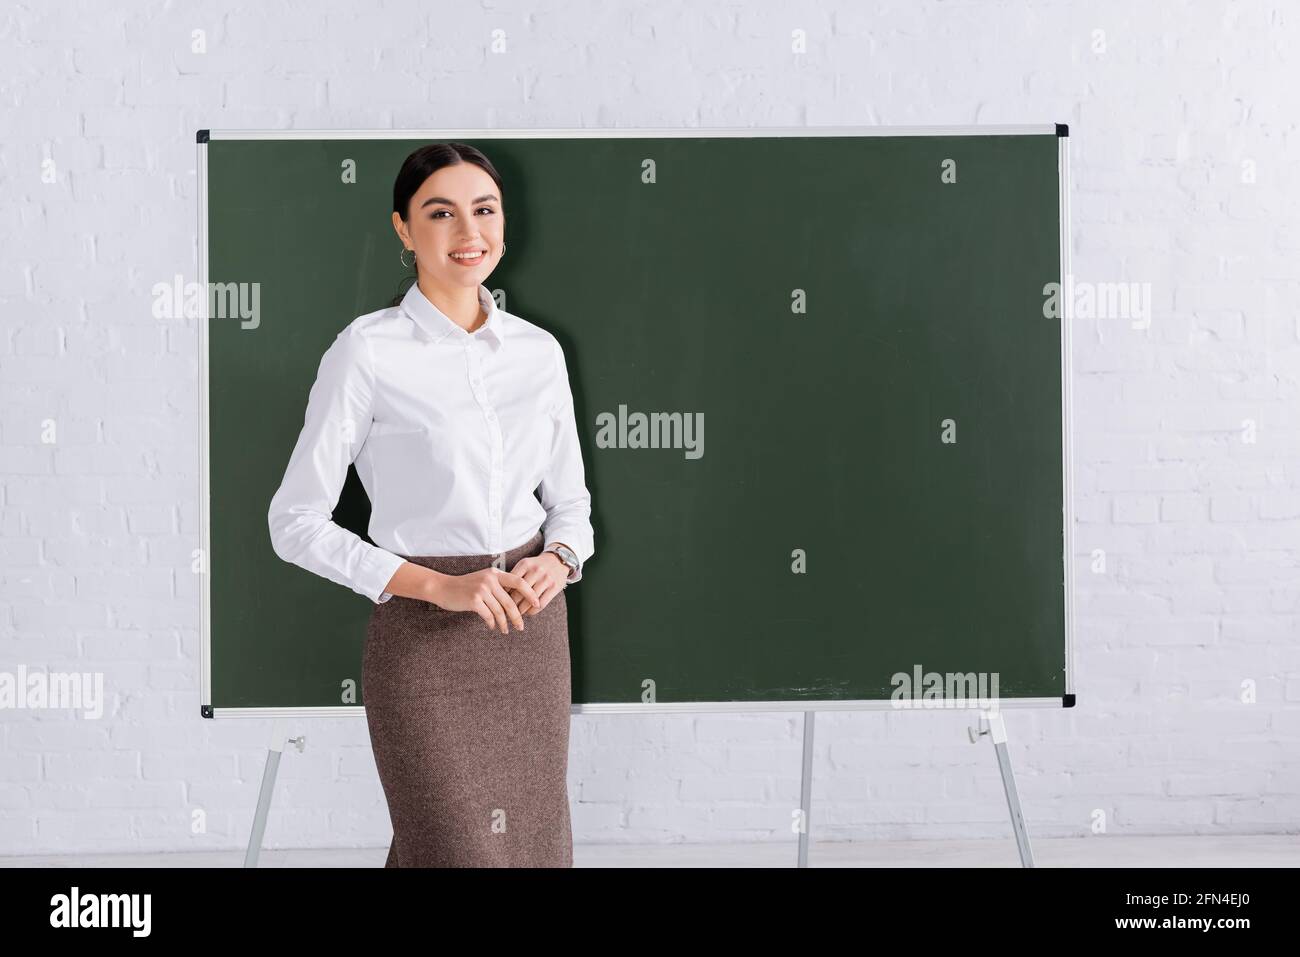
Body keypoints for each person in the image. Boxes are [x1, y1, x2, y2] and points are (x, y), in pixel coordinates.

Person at [267, 142, 594, 867]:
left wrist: (561, 558)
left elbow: (570, 504)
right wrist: (441, 585)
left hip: (530, 634)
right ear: (404, 230)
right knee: (452, 849)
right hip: (421, 640)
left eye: (484, 210)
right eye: (439, 213)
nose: (467, 232)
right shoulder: (367, 351)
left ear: (505, 224)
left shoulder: (539, 353)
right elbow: (293, 523)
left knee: (533, 852)